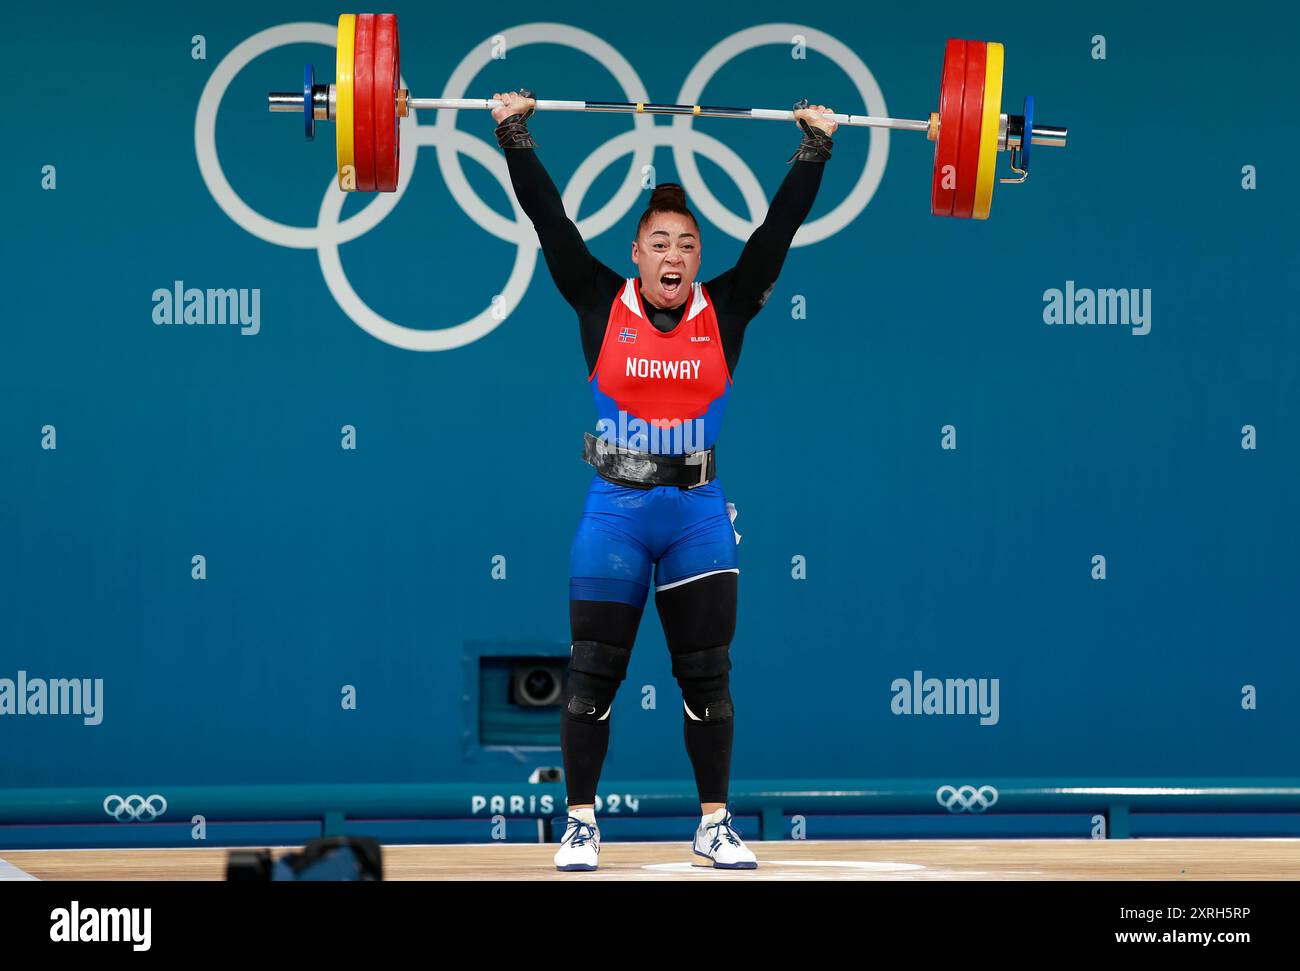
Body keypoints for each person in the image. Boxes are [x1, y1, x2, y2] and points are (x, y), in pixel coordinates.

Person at [490, 89, 837, 870]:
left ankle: (713, 824)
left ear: (695, 257)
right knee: (590, 680)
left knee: (707, 680)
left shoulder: (731, 307)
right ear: (638, 253)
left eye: (686, 244)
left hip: (697, 516)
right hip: (613, 513)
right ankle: (580, 825)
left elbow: (775, 236)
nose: (673, 256)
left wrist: (815, 149)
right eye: (659, 243)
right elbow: (550, 220)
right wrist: (513, 134)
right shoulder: (595, 298)